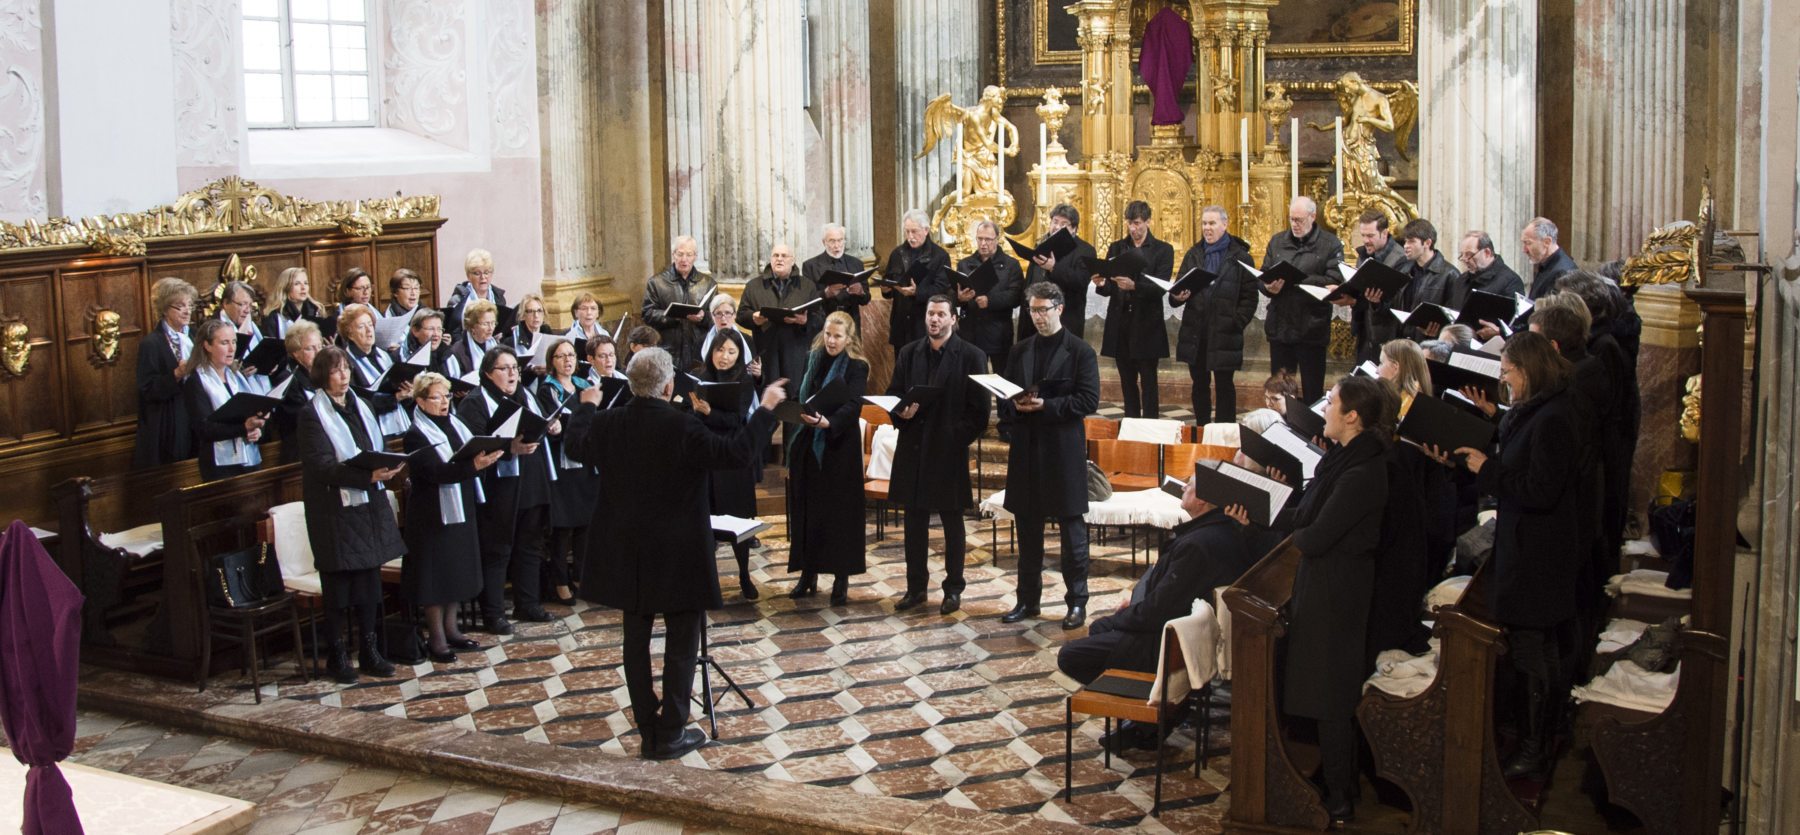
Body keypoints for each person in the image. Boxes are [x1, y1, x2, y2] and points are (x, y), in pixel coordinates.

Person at [565, 347, 786, 760]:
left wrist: (586, 407)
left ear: (632, 384)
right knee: (682, 642)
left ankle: (648, 724)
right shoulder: (682, 426)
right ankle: (670, 734)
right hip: (678, 550)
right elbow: (736, 453)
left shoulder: (609, 423)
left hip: (627, 549)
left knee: (636, 637)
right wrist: (767, 408)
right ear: (668, 386)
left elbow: (576, 445)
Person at [1240, 374, 1392, 825]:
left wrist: (1283, 528)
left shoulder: (1365, 471)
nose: (1322, 409)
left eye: (1331, 404)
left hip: (1338, 590)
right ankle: (1330, 782)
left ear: (1353, 417)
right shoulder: (1341, 460)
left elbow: (1318, 534)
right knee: (1319, 688)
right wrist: (1256, 513)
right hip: (1322, 583)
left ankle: (1341, 797)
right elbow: (1305, 514)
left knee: (1331, 695)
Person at [1434, 332, 1586, 781]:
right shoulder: (1540, 408)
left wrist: (1489, 470)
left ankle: (1536, 745)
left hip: (1540, 550)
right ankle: (1535, 732)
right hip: (1529, 544)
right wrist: (1493, 421)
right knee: (1533, 645)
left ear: (1530, 370)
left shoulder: (1555, 417)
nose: (1505, 381)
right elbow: (1522, 449)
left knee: (1533, 648)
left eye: (1508, 373)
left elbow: (1540, 488)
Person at [1056, 476, 1252, 749]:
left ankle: (1157, 712)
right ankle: (1148, 719)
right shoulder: (1218, 530)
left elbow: (1156, 611)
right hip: (1173, 631)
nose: (1183, 488)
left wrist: (1119, 618)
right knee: (1100, 629)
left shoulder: (1198, 544)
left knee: (1071, 655)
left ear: (1203, 499)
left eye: (1190, 485)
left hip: (1162, 642)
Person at [298, 346, 408, 684]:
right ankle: (337, 655)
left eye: (346, 368)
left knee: (368, 585)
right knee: (339, 587)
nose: (344, 375)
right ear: (322, 375)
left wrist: (385, 465)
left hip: (368, 506)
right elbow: (321, 466)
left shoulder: (360, 404)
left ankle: (370, 651)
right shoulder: (311, 413)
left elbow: (370, 448)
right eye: (336, 370)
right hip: (334, 510)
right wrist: (367, 477)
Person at [998, 281, 1101, 628]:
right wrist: (1014, 405)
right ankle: (1028, 601)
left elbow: (1088, 401)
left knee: (1073, 532)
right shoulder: (1020, 350)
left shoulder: (1080, 351)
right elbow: (1006, 394)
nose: (1038, 317)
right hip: (1027, 450)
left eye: (1043, 310)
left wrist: (1047, 405)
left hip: (1062, 450)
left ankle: (1077, 604)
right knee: (1027, 532)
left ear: (1059, 308)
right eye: (1032, 310)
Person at [887, 296, 991, 614]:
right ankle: (916, 588)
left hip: (948, 450)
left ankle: (953, 589)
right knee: (914, 522)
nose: (934, 319)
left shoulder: (972, 356)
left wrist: (953, 438)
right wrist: (899, 413)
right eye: (930, 313)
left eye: (941, 314)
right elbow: (893, 393)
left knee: (952, 521)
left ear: (953, 319)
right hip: (914, 447)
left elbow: (980, 412)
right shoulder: (909, 352)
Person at [402, 372, 504, 663]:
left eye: (446, 396)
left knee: (456, 570)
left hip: (461, 506)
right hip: (432, 515)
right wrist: (473, 464)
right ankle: (436, 638)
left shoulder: (455, 424)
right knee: (437, 577)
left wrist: (480, 460)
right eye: (435, 397)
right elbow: (434, 472)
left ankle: (452, 629)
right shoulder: (415, 434)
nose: (443, 402)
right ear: (420, 401)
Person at [456, 346, 558, 634]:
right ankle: (494, 613)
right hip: (499, 486)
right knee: (498, 549)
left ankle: (528, 603)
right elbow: (473, 443)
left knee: (530, 544)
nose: (512, 373)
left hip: (531, 479)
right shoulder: (474, 402)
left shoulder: (525, 395)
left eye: (514, 367)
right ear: (488, 374)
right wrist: (508, 446)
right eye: (504, 368)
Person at [784, 311, 869, 605]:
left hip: (838, 446)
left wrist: (828, 423)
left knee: (837, 515)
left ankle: (840, 578)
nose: (831, 341)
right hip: (808, 442)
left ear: (849, 339)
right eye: (828, 335)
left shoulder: (857, 366)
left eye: (838, 336)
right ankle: (808, 574)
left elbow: (854, 403)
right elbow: (802, 392)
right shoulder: (813, 358)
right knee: (808, 511)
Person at [691, 328, 765, 601]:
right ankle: (706, 580)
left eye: (731, 352)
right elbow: (692, 418)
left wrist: (710, 412)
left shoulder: (744, 381)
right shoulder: (700, 378)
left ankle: (744, 574)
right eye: (720, 350)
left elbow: (737, 420)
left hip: (734, 459)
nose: (724, 356)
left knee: (738, 518)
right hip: (706, 456)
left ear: (739, 355)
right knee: (705, 519)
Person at [1172, 205, 1257, 424]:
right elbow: (1177, 291)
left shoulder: (1240, 257)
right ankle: (1202, 427)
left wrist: (1236, 322)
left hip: (1225, 331)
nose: (1207, 228)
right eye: (1204, 224)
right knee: (1199, 384)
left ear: (1225, 224)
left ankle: (1223, 431)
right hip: (1196, 332)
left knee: (1224, 385)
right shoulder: (1194, 254)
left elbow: (1250, 297)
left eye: (1212, 223)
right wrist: (1178, 296)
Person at [1261, 197, 1344, 402]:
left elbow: (1334, 279)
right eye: (1292, 219)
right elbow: (1263, 274)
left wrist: (1301, 279)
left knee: (1312, 390)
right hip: (1281, 326)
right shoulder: (1278, 241)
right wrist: (1268, 287)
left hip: (1312, 327)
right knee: (1280, 389)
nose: (1295, 224)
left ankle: (1312, 433)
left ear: (1313, 216)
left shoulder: (1330, 243)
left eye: (1299, 220)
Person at [1097, 200, 1173, 419]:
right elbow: (1110, 286)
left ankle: (1150, 425)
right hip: (1121, 323)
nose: (1134, 229)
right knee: (1126, 379)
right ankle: (1130, 422)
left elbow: (1160, 288)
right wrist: (1102, 283)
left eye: (1138, 223)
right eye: (1130, 223)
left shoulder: (1162, 250)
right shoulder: (1117, 247)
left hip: (1146, 324)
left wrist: (1135, 286)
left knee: (1148, 380)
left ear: (1148, 221)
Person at [537, 338, 597, 606]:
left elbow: (592, 417)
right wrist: (576, 420)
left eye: (571, 355)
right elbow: (555, 423)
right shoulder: (547, 389)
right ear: (553, 361)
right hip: (562, 465)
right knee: (563, 528)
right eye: (561, 356)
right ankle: (560, 580)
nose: (567, 360)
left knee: (585, 525)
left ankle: (583, 576)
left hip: (585, 462)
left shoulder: (585, 386)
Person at [184, 319, 266, 481]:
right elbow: (204, 429)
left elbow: (250, 412)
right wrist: (244, 428)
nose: (231, 349)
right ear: (207, 346)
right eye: (224, 343)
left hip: (249, 458)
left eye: (234, 342)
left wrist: (256, 429)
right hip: (220, 465)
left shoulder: (236, 376)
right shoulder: (197, 380)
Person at [134, 277, 199, 469]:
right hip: (168, 421)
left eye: (190, 305)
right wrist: (176, 375)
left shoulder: (195, 335)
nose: (187, 311)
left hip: (195, 414)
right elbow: (147, 389)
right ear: (164, 309)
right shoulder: (151, 343)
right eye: (180, 306)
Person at [738, 243, 821, 386]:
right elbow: (741, 315)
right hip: (766, 351)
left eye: (784, 256)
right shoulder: (753, 286)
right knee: (767, 395)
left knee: (793, 400)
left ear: (793, 260)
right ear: (770, 259)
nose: (779, 259)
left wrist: (805, 321)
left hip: (796, 353)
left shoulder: (807, 286)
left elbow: (820, 319)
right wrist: (754, 318)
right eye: (776, 255)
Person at [1020, 203, 1097, 340]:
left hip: (1065, 321)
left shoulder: (1085, 250)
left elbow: (1080, 281)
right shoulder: (1041, 245)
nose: (1057, 227)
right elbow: (1031, 280)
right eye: (1055, 221)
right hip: (1035, 322)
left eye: (1064, 224)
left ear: (1074, 229)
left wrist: (1053, 268)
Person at [953, 220, 1023, 373]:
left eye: (988, 239)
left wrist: (990, 301)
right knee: (972, 382)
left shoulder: (1011, 265)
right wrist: (959, 298)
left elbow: (1016, 296)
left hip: (999, 331)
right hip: (971, 332)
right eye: (980, 239)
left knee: (1002, 381)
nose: (983, 243)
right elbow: (953, 293)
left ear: (997, 240)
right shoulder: (964, 264)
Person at [642, 235, 717, 372]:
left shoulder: (707, 283)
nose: (684, 259)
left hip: (698, 351)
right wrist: (675, 316)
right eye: (680, 254)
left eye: (689, 255)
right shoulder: (657, 283)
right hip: (667, 350)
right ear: (673, 255)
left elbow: (717, 316)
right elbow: (647, 314)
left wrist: (703, 317)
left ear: (695, 256)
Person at [1344, 208, 1410, 361]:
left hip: (1386, 332)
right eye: (1363, 236)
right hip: (1365, 329)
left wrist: (1377, 302)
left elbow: (1398, 300)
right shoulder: (1364, 256)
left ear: (1384, 233)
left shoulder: (1399, 259)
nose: (1366, 240)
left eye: (1371, 236)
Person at [338, 303, 412, 438]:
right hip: (374, 429)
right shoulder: (346, 363)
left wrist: (407, 392)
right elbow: (356, 403)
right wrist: (395, 398)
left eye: (370, 325)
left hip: (401, 423)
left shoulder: (383, 354)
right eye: (361, 326)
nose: (369, 330)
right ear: (349, 333)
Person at [882, 210, 951, 353]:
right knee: (902, 369)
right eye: (907, 232)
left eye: (914, 231)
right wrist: (886, 290)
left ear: (926, 230)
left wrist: (917, 292)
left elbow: (942, 289)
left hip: (925, 324)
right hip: (901, 323)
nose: (910, 236)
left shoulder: (940, 256)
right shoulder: (897, 253)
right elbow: (889, 281)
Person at [1392, 218, 1459, 339]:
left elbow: (1454, 318)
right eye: (1405, 241)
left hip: (1429, 343)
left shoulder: (1450, 274)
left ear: (1427, 243)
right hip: (1404, 341)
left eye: (1412, 241)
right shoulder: (1404, 270)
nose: (1406, 246)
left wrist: (1438, 332)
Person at [270, 320, 324, 462]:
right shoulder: (286, 378)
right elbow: (300, 415)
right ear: (296, 353)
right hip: (299, 451)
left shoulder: (322, 374)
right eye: (310, 348)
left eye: (320, 346)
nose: (318, 352)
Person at [1446, 231, 1525, 320]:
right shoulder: (1461, 280)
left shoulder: (1510, 281)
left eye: (1469, 254)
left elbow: (1515, 321)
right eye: (1462, 255)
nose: (1464, 259)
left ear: (1487, 252)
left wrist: (1498, 330)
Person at [802, 223, 870, 320]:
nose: (837, 245)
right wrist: (825, 293)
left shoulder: (856, 263)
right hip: (823, 321)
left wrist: (861, 292)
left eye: (840, 240)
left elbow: (866, 300)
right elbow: (807, 300)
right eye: (832, 241)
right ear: (824, 242)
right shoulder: (810, 266)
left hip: (851, 320)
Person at [444, 248, 509, 338]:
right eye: (477, 273)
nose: (483, 277)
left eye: (486, 272)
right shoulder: (458, 300)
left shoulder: (498, 297)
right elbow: (454, 333)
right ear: (468, 276)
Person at [217, 280, 275, 382]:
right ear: (226, 303)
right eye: (242, 304)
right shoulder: (215, 328)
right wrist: (237, 372)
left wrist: (269, 364)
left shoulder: (251, 324)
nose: (247, 310)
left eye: (250, 305)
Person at [1521, 217, 1577, 302]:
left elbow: (1551, 310)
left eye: (1528, 243)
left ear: (1547, 242)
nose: (1524, 250)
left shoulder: (1563, 271)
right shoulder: (1546, 264)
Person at [262, 267, 327, 339]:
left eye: (306, 283)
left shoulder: (316, 310)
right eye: (297, 284)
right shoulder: (274, 317)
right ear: (285, 288)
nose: (303, 287)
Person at [1375, 338, 1432, 416]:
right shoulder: (1417, 397)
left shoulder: (1403, 408)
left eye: (1381, 363)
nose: (1377, 371)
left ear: (1395, 367)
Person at [447, 299, 500, 379]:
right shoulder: (457, 351)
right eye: (485, 324)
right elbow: (457, 382)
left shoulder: (496, 345)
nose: (491, 328)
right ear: (472, 326)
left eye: (493, 323)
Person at [400, 308, 455, 378]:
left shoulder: (448, 355)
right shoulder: (402, 356)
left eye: (439, 329)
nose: (436, 334)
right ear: (415, 331)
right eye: (431, 329)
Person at [504, 292, 550, 358]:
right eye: (531, 311)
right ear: (523, 315)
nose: (536, 315)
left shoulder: (549, 336)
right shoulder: (511, 341)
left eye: (539, 311)